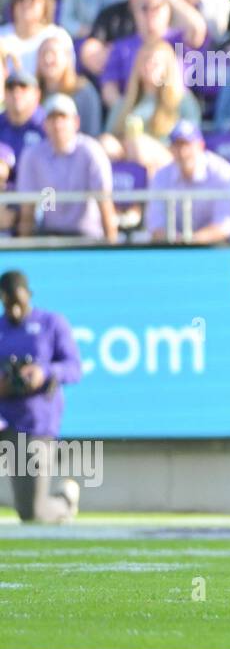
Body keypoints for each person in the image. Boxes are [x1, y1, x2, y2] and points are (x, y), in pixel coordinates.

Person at [0, 270, 82, 524]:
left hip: (35, 422)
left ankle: (64, 502)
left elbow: (74, 368)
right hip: (3, 419)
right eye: (8, 303)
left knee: (31, 512)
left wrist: (44, 373)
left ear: (30, 296)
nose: (14, 310)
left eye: (19, 303)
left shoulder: (51, 323)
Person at [15, 94, 117, 242]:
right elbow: (27, 212)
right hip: (49, 237)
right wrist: (25, 252)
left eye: (63, 117)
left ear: (76, 122)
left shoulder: (91, 151)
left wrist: (111, 250)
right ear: (45, 124)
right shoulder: (32, 155)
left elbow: (105, 203)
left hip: (88, 238)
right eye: (52, 118)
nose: (58, 124)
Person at [146, 122, 230, 244]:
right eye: (177, 145)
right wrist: (182, 243)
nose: (182, 152)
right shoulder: (161, 176)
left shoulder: (222, 172)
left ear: (200, 145)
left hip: (215, 249)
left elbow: (225, 224)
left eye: (187, 144)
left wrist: (190, 242)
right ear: (171, 148)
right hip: (174, 249)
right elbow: (155, 224)